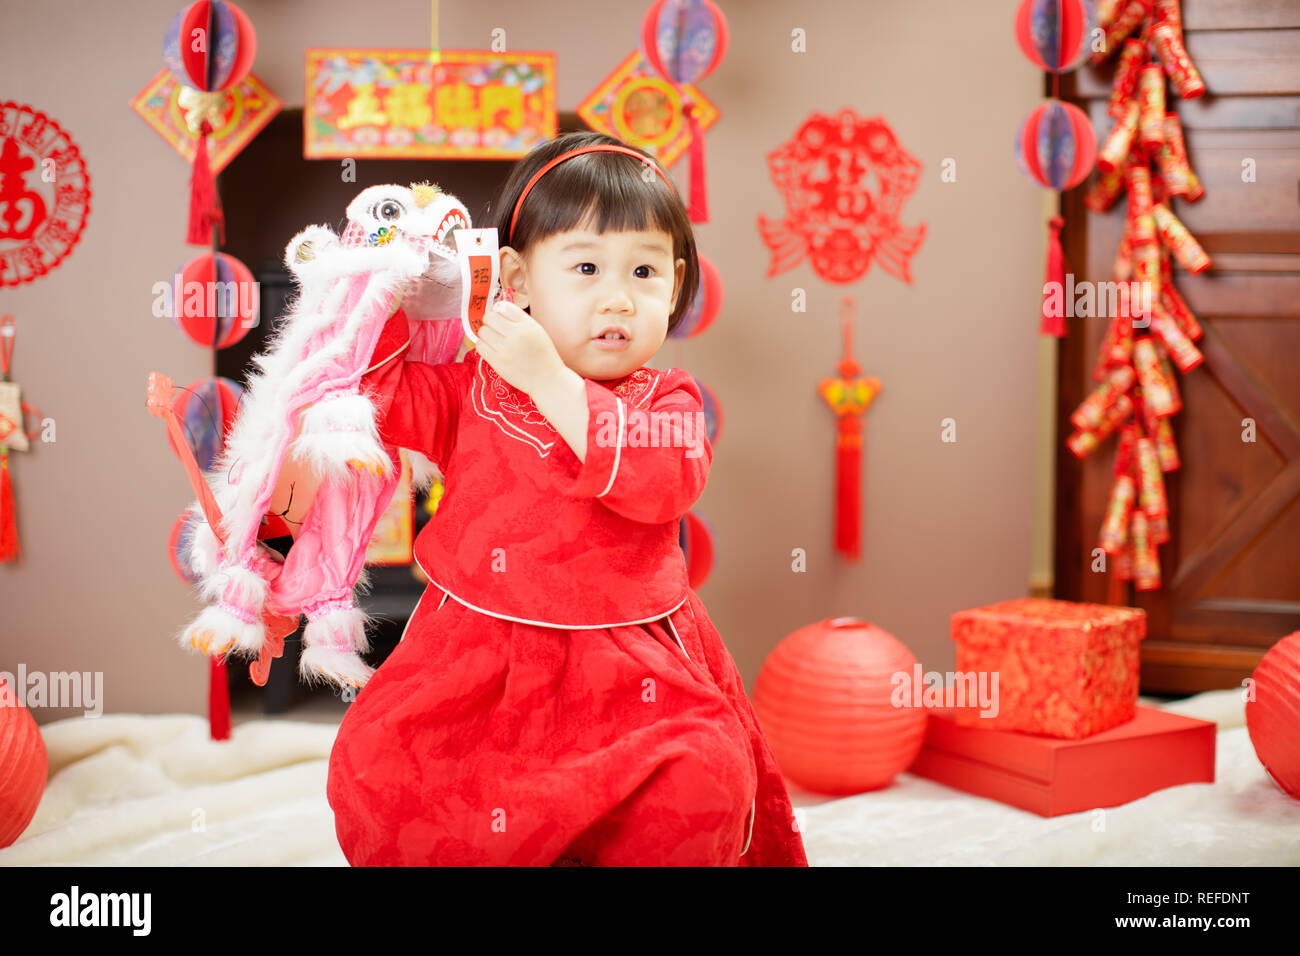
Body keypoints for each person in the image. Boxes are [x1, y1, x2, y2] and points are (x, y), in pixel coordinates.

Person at [326, 131, 808, 866]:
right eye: (586, 266)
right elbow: (374, 399)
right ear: (515, 282)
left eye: (646, 271)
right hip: (477, 660)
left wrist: (551, 379)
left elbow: (666, 479)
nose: (618, 297)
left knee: (707, 776)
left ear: (675, 285)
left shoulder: (668, 398)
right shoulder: (472, 388)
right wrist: (391, 288)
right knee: (378, 763)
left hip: (636, 673)